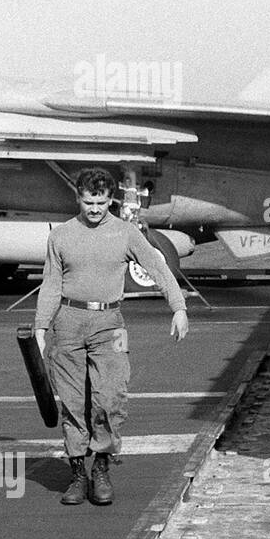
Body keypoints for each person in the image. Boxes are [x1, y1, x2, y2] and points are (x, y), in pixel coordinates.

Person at [34, 167, 189, 506]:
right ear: (78, 197)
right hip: (69, 322)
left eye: (102, 203)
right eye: (89, 202)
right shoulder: (60, 236)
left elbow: (157, 267)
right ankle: (77, 473)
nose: (94, 209)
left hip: (111, 324)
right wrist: (41, 329)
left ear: (110, 200)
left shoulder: (126, 233)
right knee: (73, 402)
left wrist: (178, 307)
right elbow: (51, 285)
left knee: (110, 397)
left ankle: (101, 467)